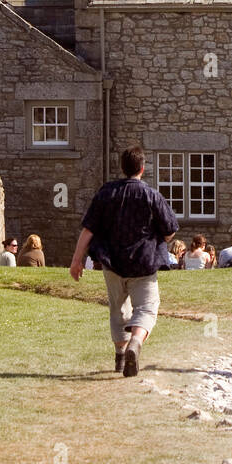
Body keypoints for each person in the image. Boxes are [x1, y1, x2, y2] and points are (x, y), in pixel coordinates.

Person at [69, 145, 178, 377]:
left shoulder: (106, 192)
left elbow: (88, 230)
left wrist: (77, 260)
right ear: (142, 167)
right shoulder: (151, 195)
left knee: (118, 309)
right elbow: (169, 231)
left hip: (112, 261)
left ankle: (120, 356)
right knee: (147, 308)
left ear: (122, 167)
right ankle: (136, 343)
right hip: (144, 263)